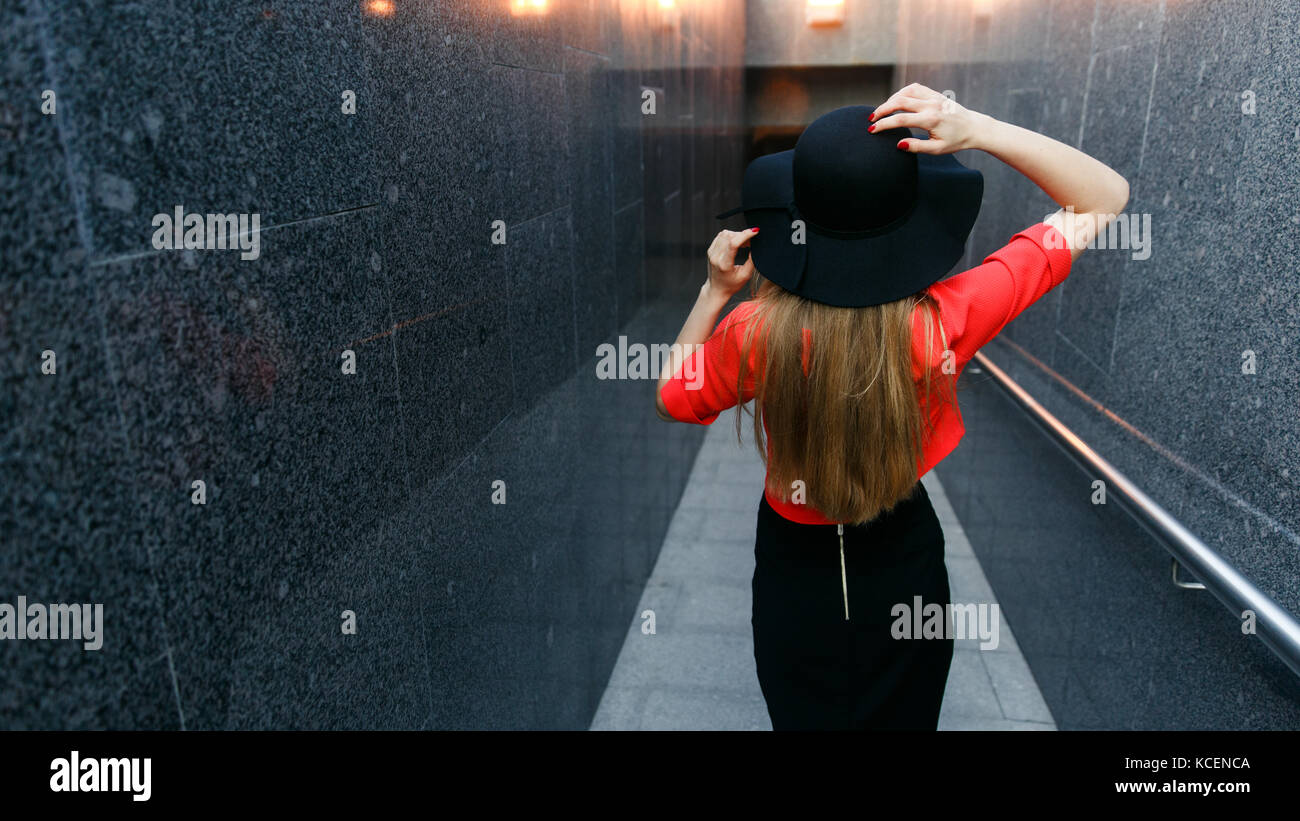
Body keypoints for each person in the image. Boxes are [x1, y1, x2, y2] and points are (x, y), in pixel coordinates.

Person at [654, 83, 1130, 730]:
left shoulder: (754, 333)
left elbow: (673, 396)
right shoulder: (951, 317)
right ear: (909, 224)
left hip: (794, 573)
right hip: (904, 557)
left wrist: (714, 294)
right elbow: (1105, 196)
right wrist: (975, 125)